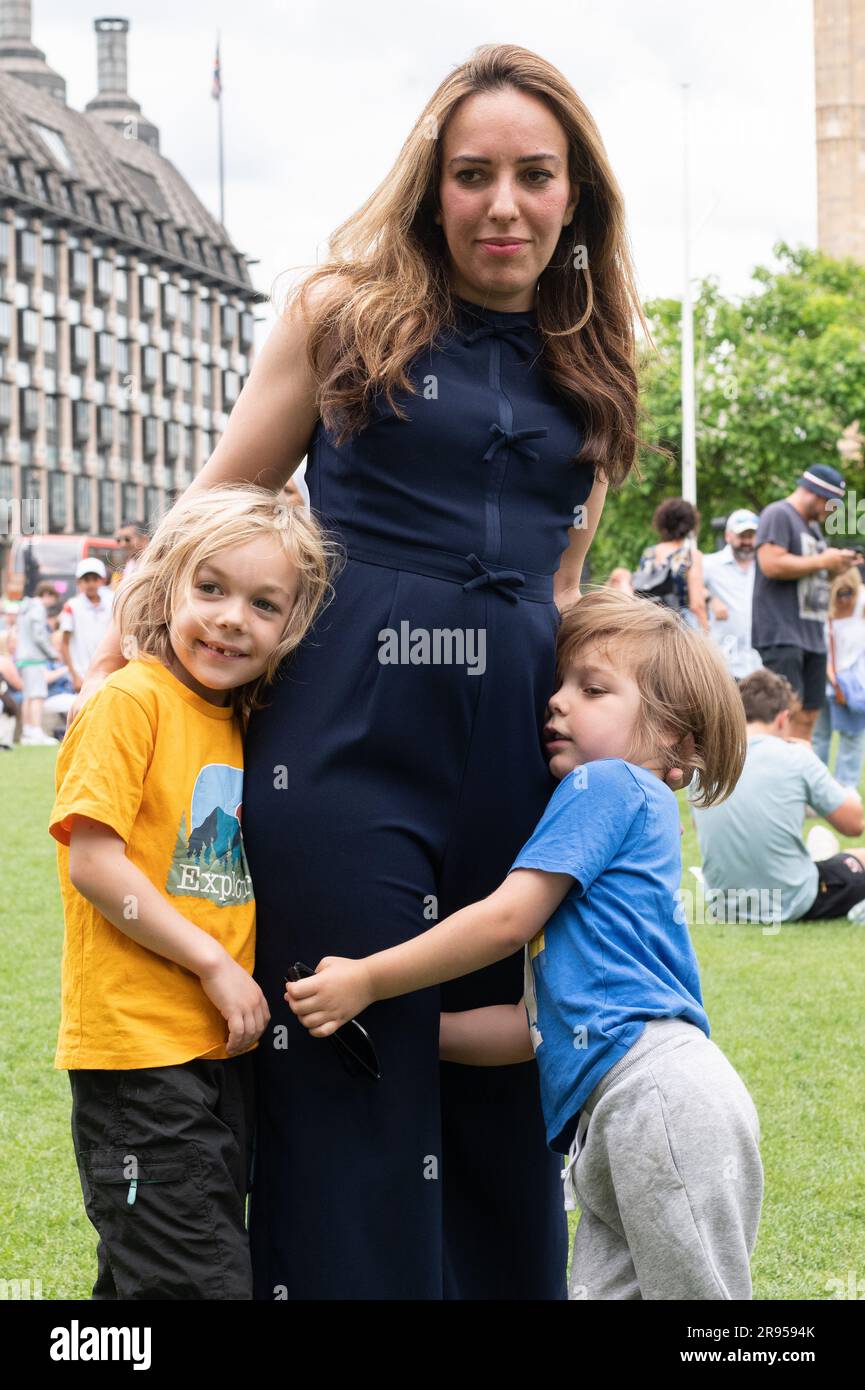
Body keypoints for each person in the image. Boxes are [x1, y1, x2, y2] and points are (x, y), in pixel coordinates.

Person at [68, 43, 686, 1300]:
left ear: (576, 197)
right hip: (341, 742)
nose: (502, 204)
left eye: (532, 175)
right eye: (472, 174)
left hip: (514, 753)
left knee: (489, 1064)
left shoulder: (598, 358)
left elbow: (561, 587)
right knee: (345, 1052)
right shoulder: (338, 315)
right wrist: (133, 677)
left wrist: (616, 719)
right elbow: (218, 507)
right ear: (432, 184)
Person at [286, 588, 763, 1301]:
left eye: (592, 689)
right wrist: (410, 1029)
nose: (558, 703)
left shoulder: (610, 784)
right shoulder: (623, 804)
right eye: (559, 685)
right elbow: (526, 1029)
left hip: (655, 1098)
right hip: (608, 1116)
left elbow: (506, 919)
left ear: (674, 738)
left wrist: (370, 981)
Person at [49, 484, 336, 1300]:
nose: (230, 618)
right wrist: (212, 964)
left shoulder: (235, 719)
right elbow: (95, 864)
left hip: (212, 1055)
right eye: (209, 588)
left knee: (151, 1278)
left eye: (263, 603)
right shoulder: (128, 700)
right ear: (168, 582)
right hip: (139, 1057)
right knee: (197, 1281)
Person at [690, 667, 865, 924]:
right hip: (792, 900)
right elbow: (855, 824)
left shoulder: (708, 761)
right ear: (783, 719)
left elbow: (701, 826)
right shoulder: (796, 756)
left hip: (724, 906)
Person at [752, 465, 858, 742]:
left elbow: (811, 571)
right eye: (830, 504)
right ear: (815, 494)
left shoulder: (813, 530)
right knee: (785, 713)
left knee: (809, 713)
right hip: (782, 632)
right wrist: (824, 560)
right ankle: (779, 778)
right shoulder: (778, 514)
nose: (831, 512)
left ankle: (800, 778)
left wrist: (837, 565)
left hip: (811, 634)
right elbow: (771, 563)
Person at [812, 567, 865, 790]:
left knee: (852, 736)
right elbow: (816, 644)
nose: (845, 599)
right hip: (826, 680)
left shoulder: (862, 604)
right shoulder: (823, 609)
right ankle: (817, 789)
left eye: (849, 594)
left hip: (856, 683)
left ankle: (846, 789)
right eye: (840, 594)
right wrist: (830, 676)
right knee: (819, 735)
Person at [701, 508, 762, 680]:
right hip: (724, 662)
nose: (747, 542)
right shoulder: (711, 564)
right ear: (728, 536)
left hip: (758, 663)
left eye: (751, 536)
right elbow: (690, 587)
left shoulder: (764, 567)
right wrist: (710, 599)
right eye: (742, 536)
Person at [633, 498, 709, 633]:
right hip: (678, 627)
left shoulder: (648, 553)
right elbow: (697, 604)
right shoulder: (690, 556)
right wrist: (707, 632)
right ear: (690, 524)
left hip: (649, 627)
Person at [60, 559, 116, 693]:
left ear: (102, 580)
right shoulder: (72, 606)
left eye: (94, 579)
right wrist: (74, 675)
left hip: (107, 672)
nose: (91, 584)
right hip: (82, 673)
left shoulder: (112, 602)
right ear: (79, 582)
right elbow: (64, 643)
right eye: (86, 580)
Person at [16, 580, 60, 745]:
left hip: (23, 657)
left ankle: (28, 732)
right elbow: (39, 636)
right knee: (37, 695)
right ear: (47, 595)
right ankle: (36, 732)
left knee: (28, 696)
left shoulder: (25, 608)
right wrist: (52, 653)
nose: (52, 604)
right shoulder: (38, 608)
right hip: (34, 658)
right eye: (53, 598)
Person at [113, 519, 148, 585]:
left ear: (144, 540)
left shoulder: (154, 563)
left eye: (127, 539)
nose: (122, 544)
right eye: (118, 540)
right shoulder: (130, 564)